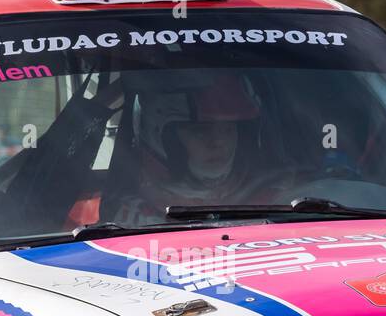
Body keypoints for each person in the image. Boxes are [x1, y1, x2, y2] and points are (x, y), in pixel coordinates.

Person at [112, 73, 269, 225]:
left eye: (228, 129)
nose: (218, 142)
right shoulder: (133, 220)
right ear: (160, 139)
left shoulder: (281, 195)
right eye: (199, 132)